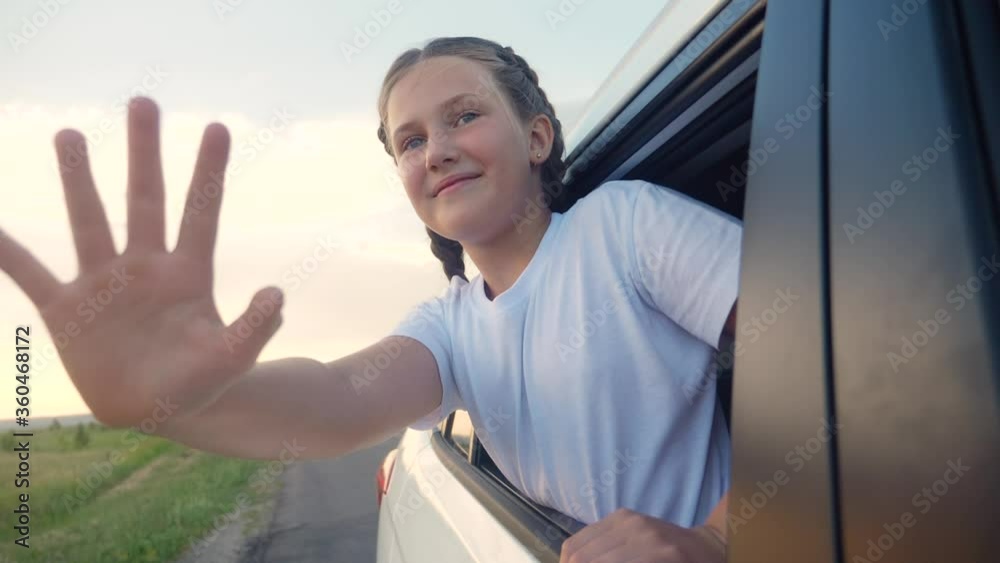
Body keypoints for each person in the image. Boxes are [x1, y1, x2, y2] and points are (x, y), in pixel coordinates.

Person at [0, 36, 739, 562]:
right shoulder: (448, 322)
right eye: (409, 141)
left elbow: (843, 345)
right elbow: (333, 399)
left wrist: (718, 537)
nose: (436, 150)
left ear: (538, 135)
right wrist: (171, 401)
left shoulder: (625, 223)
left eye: (464, 116)